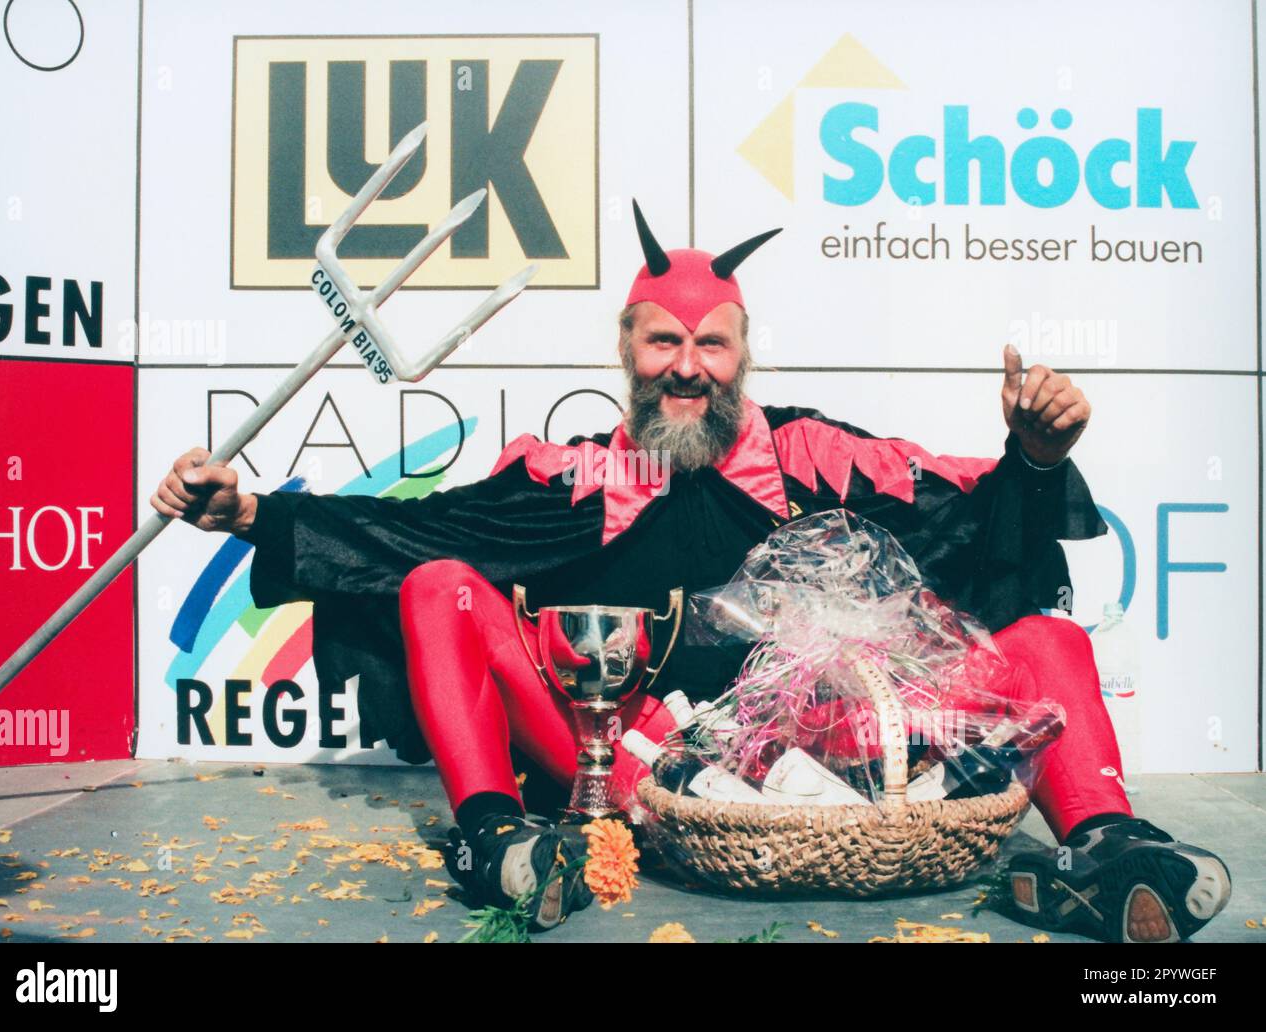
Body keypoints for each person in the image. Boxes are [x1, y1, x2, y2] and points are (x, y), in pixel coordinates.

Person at [152, 201, 1231, 942]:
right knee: (441, 584)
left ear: (742, 354)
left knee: (1047, 640)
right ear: (627, 348)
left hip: (816, 770)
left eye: (709, 345)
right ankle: (494, 845)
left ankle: (1105, 854)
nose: (685, 365)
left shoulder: (819, 457)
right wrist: (250, 510)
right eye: (663, 341)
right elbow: (407, 534)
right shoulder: (568, 476)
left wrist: (1038, 455)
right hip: (621, 771)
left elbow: (978, 523)